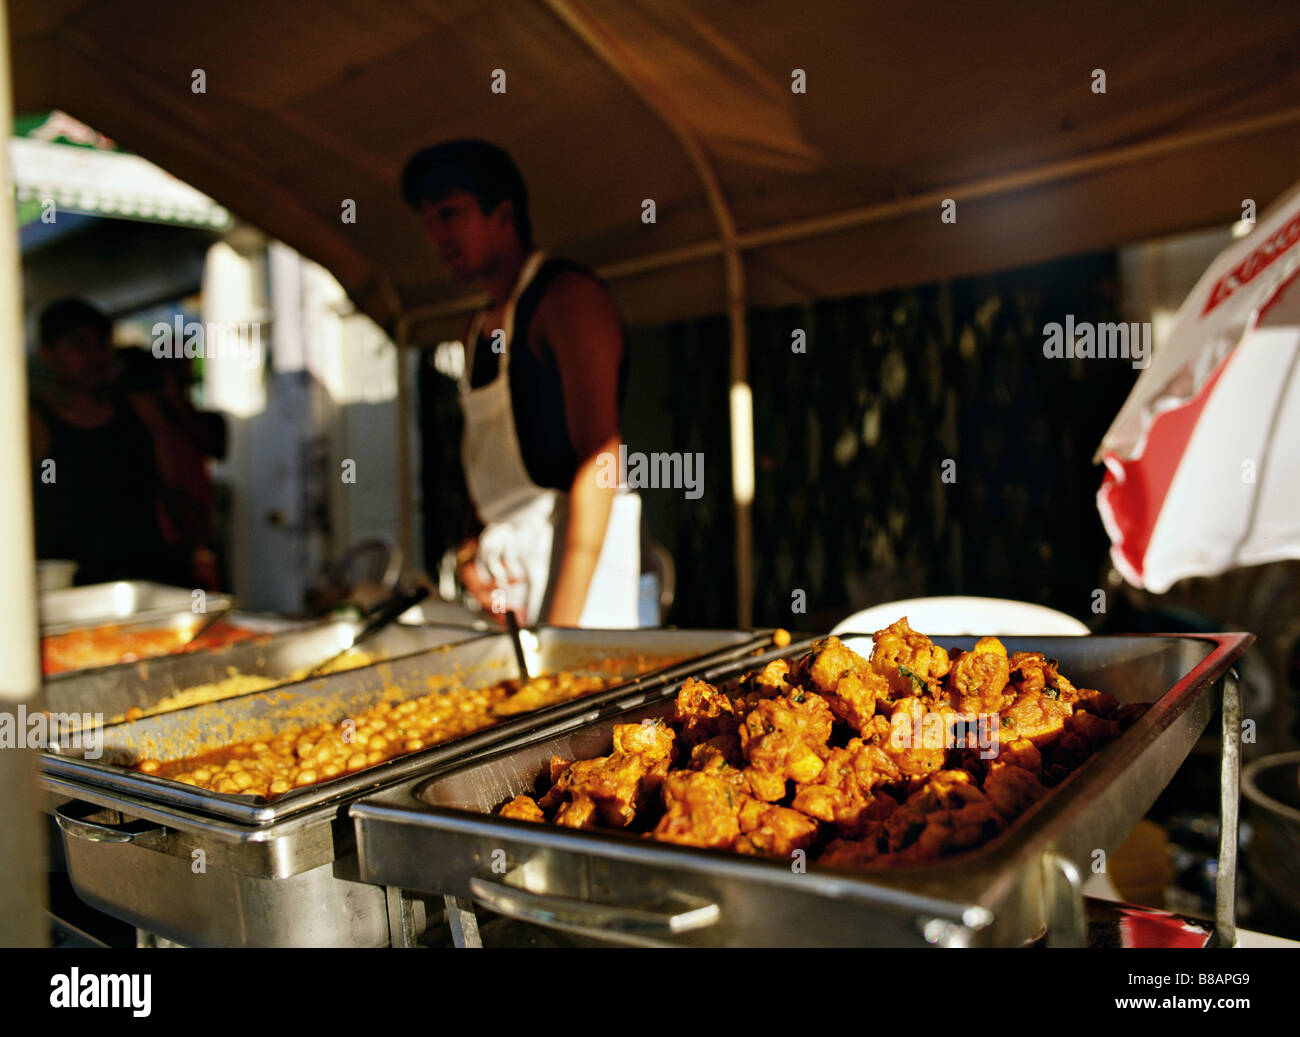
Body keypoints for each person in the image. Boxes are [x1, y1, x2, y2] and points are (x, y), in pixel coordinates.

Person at [402, 140, 640, 628]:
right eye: (428, 222)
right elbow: (482, 462)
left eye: (450, 214)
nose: (437, 236)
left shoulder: (568, 299)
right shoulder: (475, 330)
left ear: (504, 214)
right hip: (505, 578)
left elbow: (601, 460)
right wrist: (470, 555)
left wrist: (561, 628)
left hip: (578, 569)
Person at [28, 299, 188, 586]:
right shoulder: (32, 424)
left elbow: (174, 490)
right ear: (47, 354)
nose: (94, 356)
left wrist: (198, 552)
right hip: (70, 586)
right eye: (79, 344)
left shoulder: (140, 410)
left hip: (146, 578)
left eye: (101, 343)